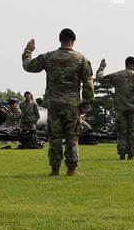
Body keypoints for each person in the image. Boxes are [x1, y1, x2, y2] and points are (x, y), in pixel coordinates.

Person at [22, 29, 94, 176]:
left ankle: (54, 169)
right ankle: (71, 169)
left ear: (59, 39)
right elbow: (88, 85)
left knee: (55, 138)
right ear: (74, 40)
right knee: (72, 138)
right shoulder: (81, 59)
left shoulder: (49, 57)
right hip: (72, 106)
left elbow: (28, 66)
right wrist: (86, 104)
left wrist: (28, 51)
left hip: (54, 105)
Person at [95, 56, 134, 160]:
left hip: (120, 110)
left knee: (121, 133)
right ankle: (131, 155)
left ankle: (121, 155)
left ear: (126, 64)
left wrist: (101, 68)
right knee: (133, 133)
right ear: (132, 65)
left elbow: (101, 79)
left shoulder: (118, 75)